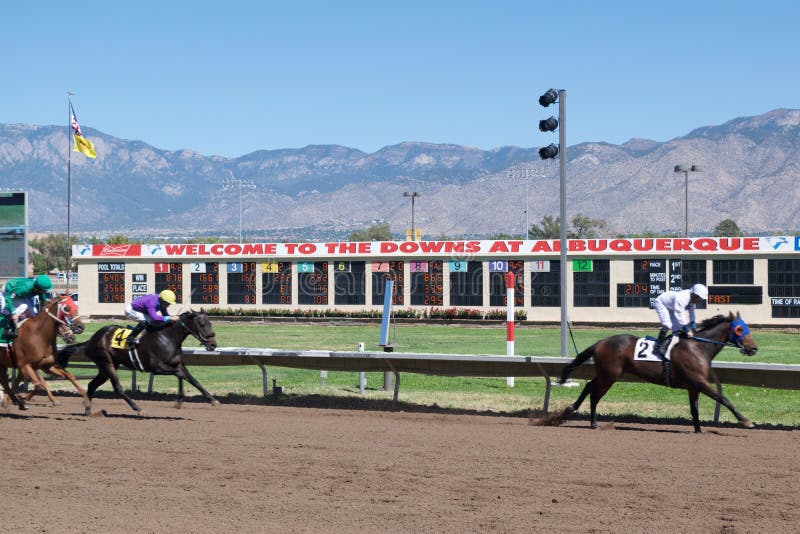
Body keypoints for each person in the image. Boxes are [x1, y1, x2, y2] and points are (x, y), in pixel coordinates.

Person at [651, 283, 708, 384]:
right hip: (661, 303)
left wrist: (693, 325)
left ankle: (670, 346)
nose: (700, 301)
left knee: (677, 328)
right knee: (667, 324)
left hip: (671, 307)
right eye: (700, 299)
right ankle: (658, 345)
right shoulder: (682, 297)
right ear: (695, 295)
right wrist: (687, 329)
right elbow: (679, 314)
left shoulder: (692, 299)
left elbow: (692, 313)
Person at [0, 274, 54, 339]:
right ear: (38, 288)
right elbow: (8, 297)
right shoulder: (24, 288)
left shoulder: (38, 289)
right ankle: (8, 330)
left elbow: (42, 298)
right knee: (11, 311)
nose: (45, 292)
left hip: (22, 294)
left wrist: (46, 303)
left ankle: (30, 332)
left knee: (32, 313)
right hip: (8, 291)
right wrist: (13, 312)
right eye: (44, 290)